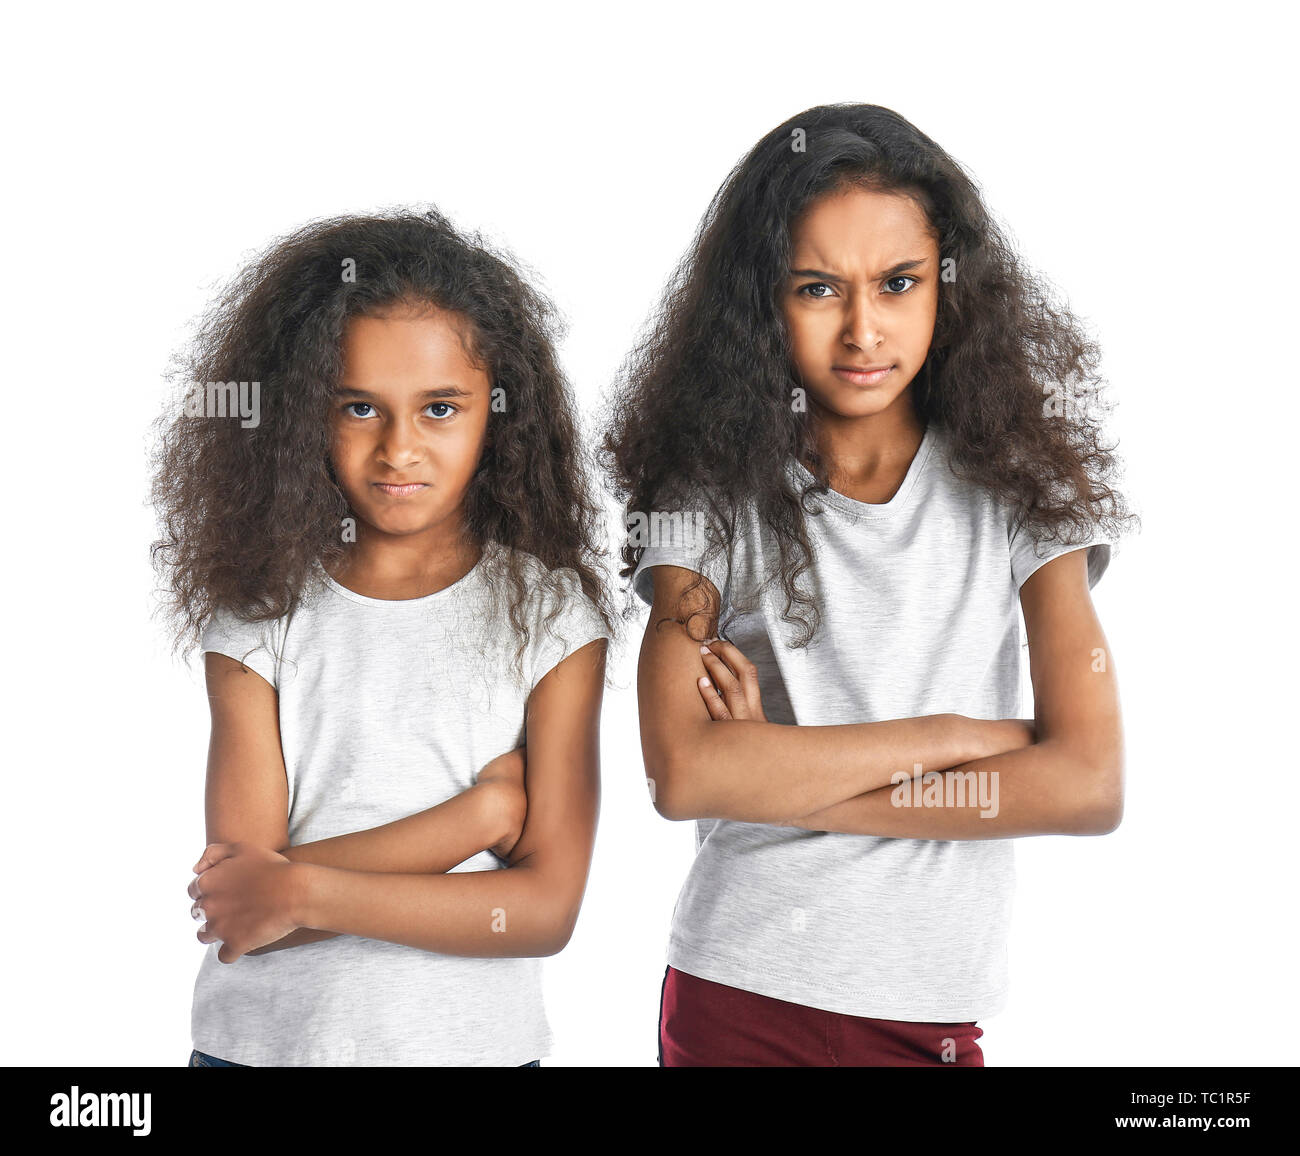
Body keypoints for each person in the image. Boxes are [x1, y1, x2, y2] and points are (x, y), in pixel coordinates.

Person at [601, 103, 1137, 1066]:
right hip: (744, 993)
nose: (862, 330)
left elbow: (1089, 783)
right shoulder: (705, 495)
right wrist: (956, 739)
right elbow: (681, 773)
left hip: (933, 1014)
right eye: (817, 289)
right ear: (762, 301)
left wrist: (783, 778)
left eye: (898, 283)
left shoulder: (1026, 487)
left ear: (948, 287)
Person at [152, 208, 613, 1066]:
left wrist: (298, 886)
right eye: (360, 408)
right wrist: (476, 817)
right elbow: (243, 916)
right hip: (259, 1051)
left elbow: (542, 914)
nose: (399, 449)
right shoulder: (258, 613)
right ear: (301, 419)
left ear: (499, 417)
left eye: (440, 408)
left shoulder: (550, 619)